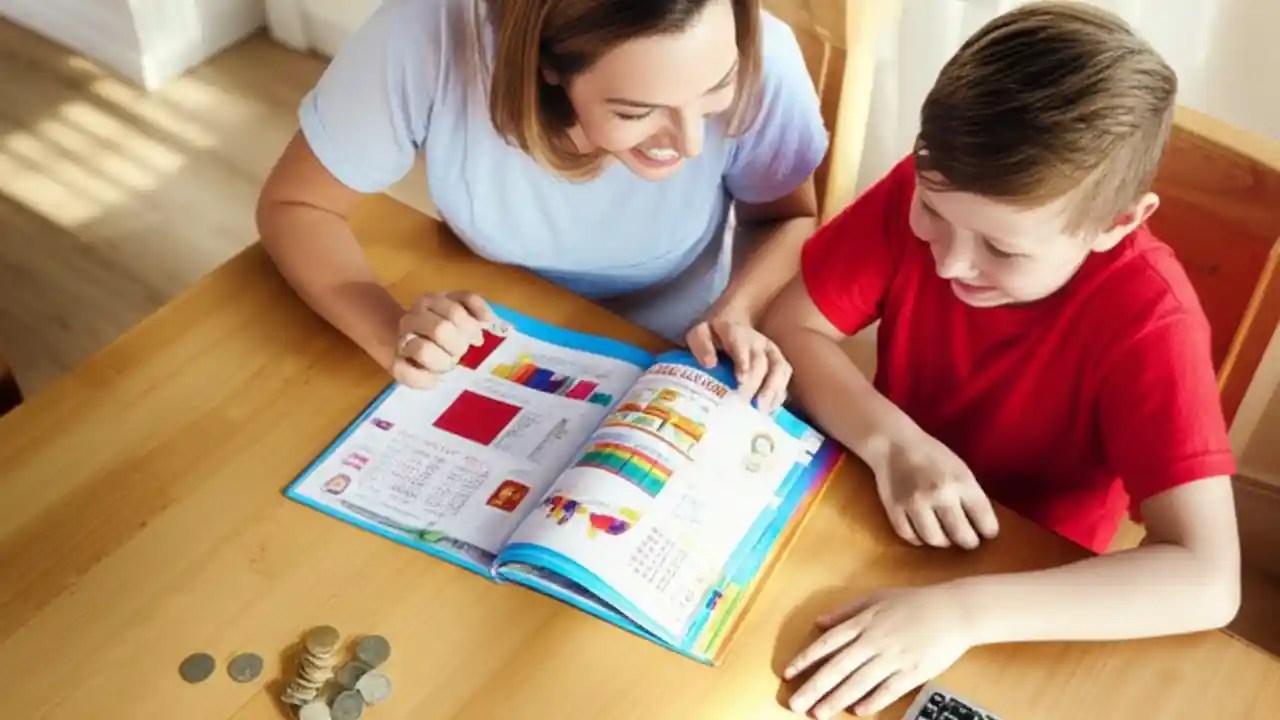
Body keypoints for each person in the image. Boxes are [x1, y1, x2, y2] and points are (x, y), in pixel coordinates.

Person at [762, 3, 1241, 717]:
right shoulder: (942, 188)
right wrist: (894, 445)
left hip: (1025, 591)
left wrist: (964, 614)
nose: (951, 260)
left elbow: (1209, 578)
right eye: (931, 212)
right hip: (875, 505)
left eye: (1004, 249)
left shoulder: (1150, 321)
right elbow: (789, 325)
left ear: (1119, 225)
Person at [256, 0, 828, 412]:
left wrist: (737, 312)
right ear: (548, 69)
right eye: (636, 112)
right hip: (485, 338)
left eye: (715, 91)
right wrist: (394, 333)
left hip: (675, 348)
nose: (691, 142)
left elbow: (787, 217)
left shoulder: (766, 55)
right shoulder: (426, 32)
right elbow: (298, 203)